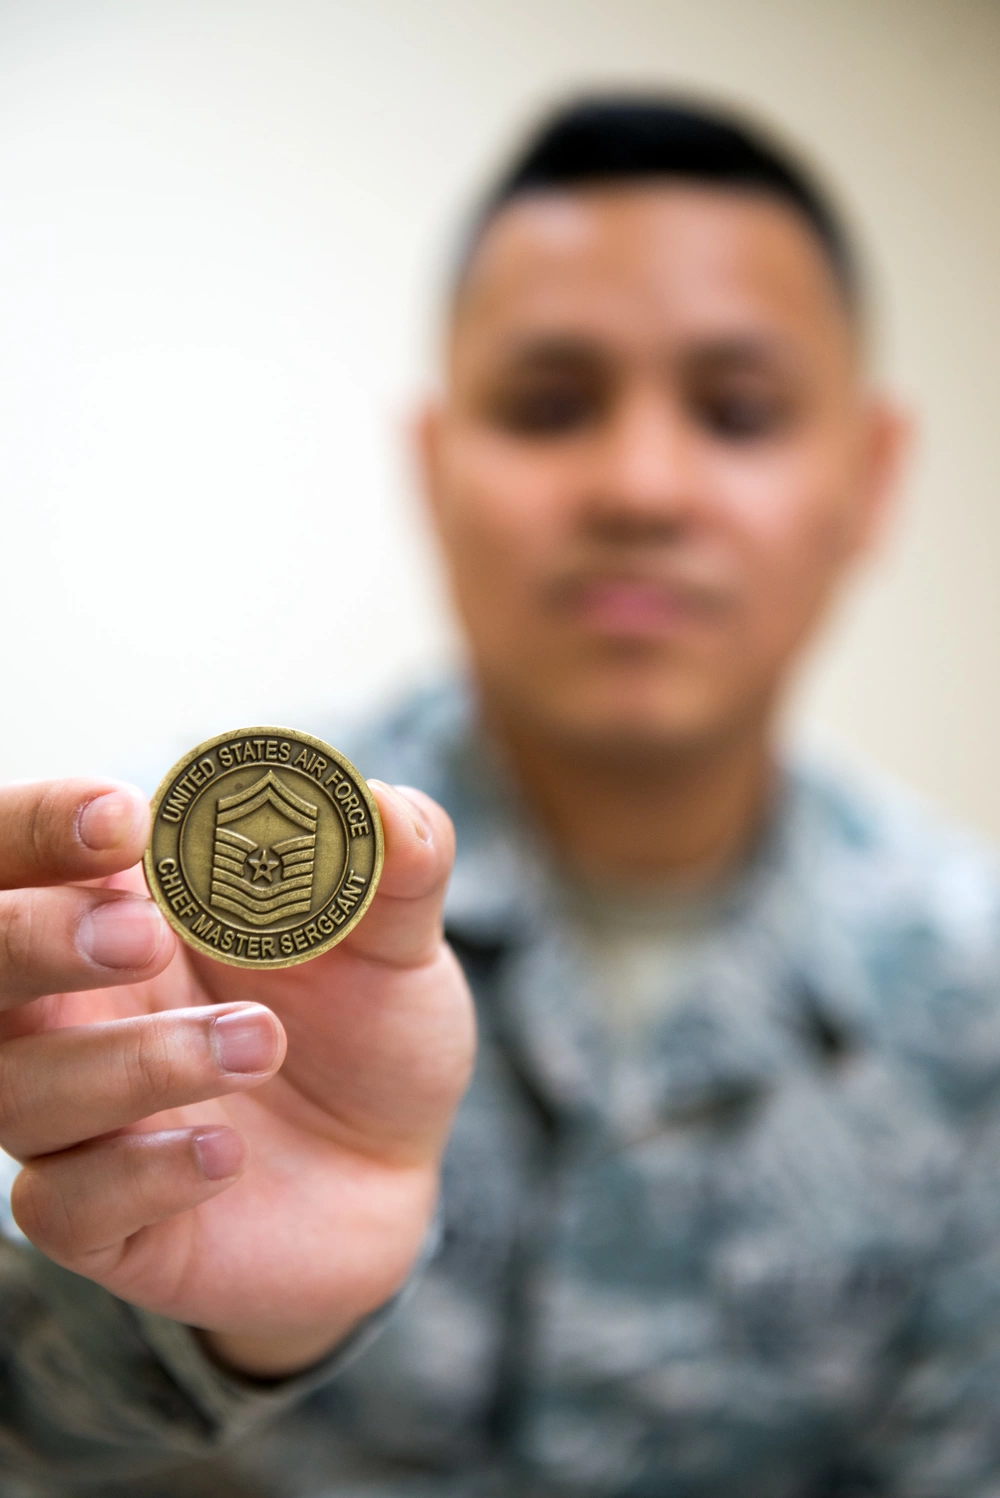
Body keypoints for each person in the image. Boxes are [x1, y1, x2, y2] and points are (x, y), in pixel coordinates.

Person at [2, 93, 1000, 1498]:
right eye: (549, 406)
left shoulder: (978, 984)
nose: (642, 484)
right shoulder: (174, 930)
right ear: (435, 465)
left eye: (737, 411)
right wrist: (242, 1331)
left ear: (869, 477)